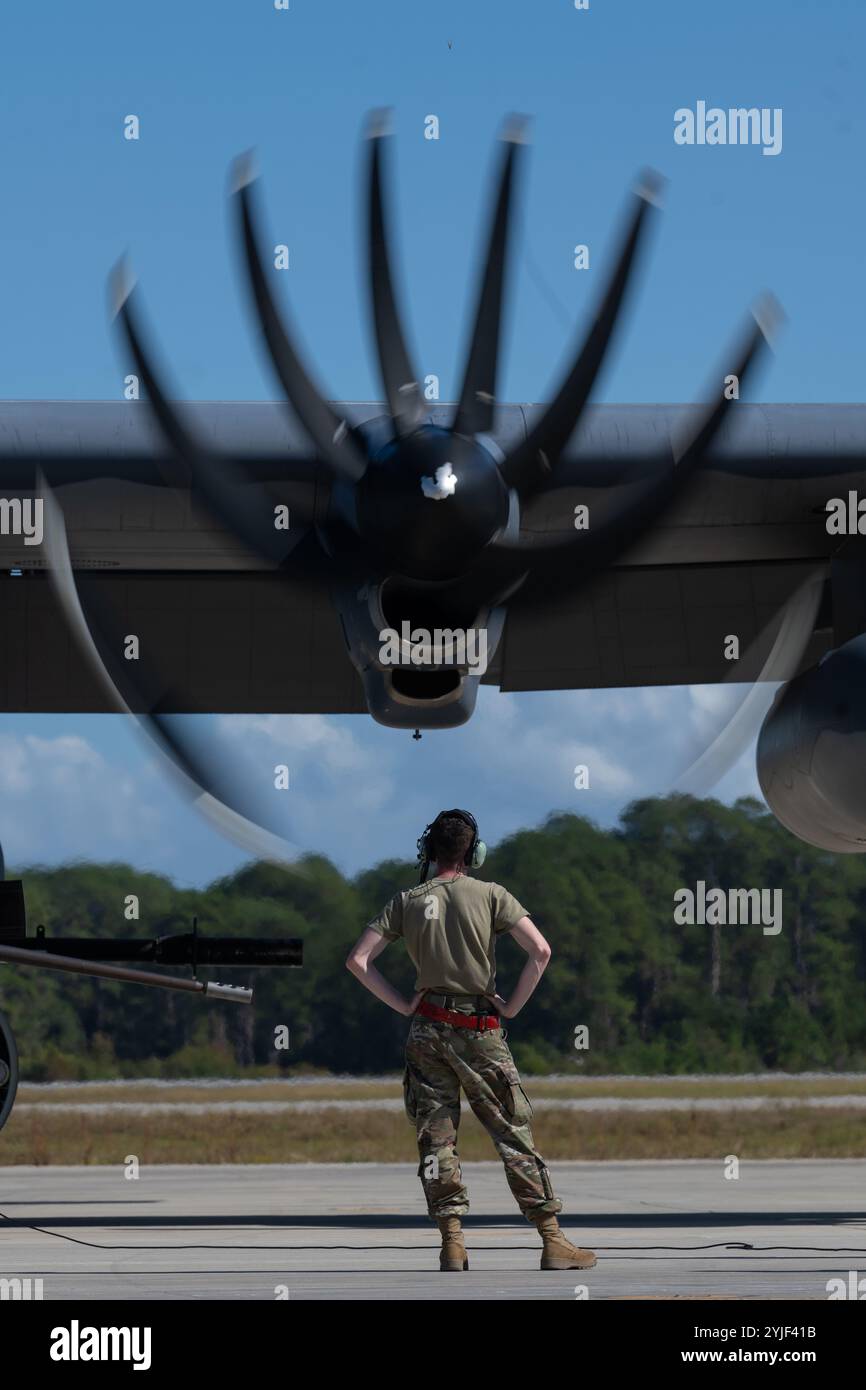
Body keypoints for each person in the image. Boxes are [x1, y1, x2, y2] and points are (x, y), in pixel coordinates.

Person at [346, 808, 597, 1273]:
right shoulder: (491, 895)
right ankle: (551, 1239)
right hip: (479, 1029)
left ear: (428, 850)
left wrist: (403, 1004)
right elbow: (540, 951)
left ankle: (453, 1243)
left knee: (436, 1140)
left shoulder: (408, 900)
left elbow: (358, 961)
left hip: (426, 1029)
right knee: (512, 1134)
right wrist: (512, 1007)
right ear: (473, 852)